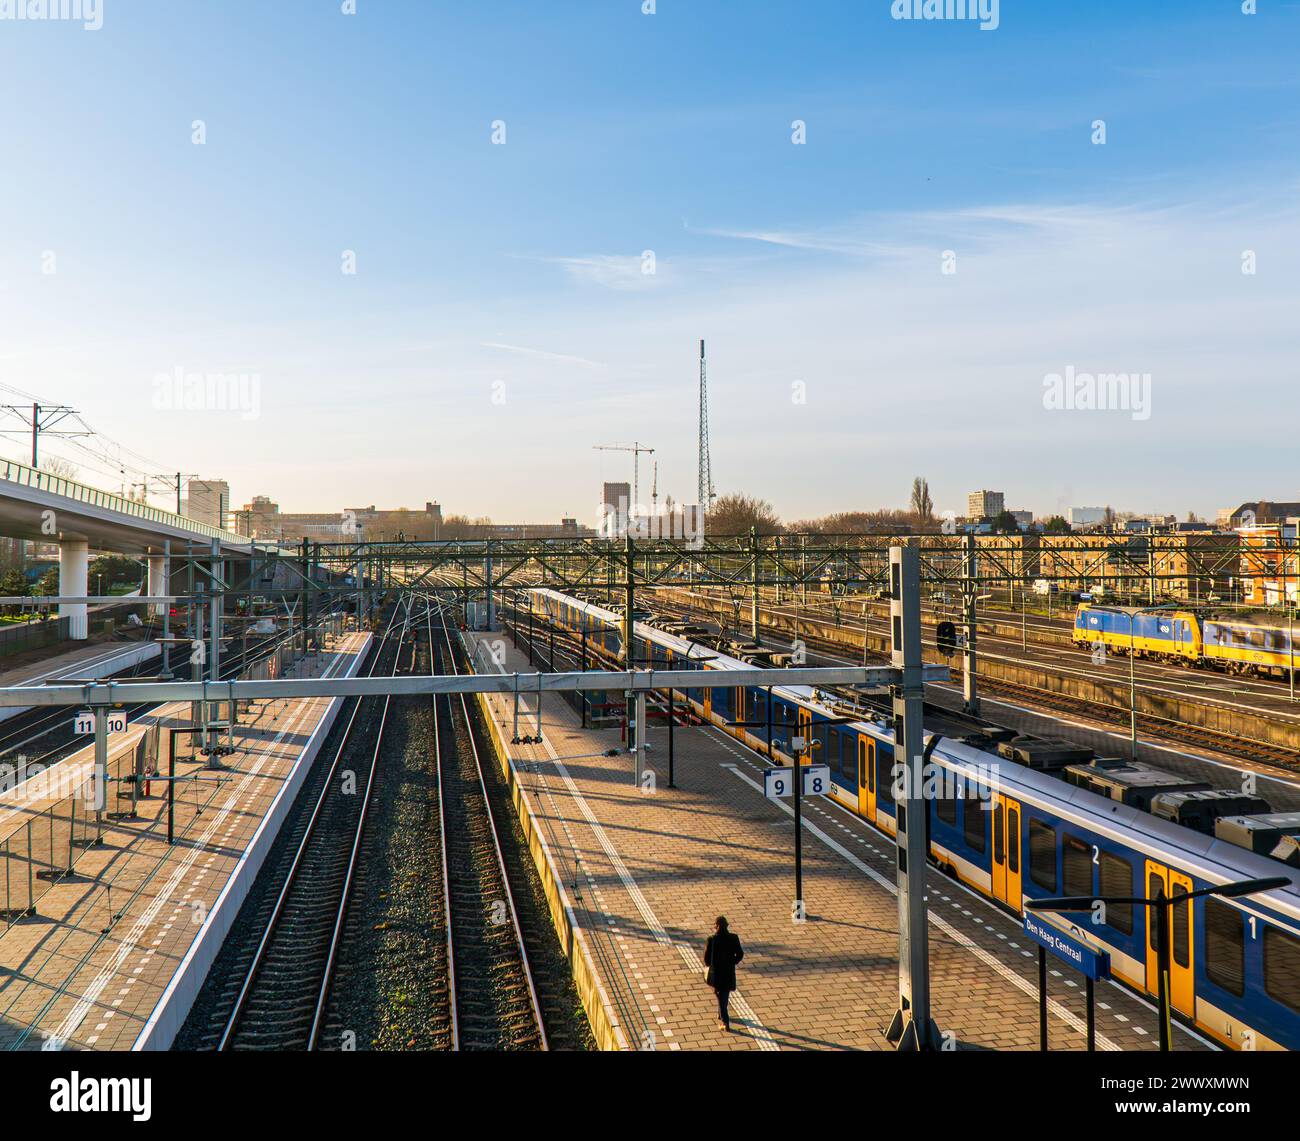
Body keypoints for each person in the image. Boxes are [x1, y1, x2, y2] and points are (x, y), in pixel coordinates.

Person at [703, 916, 744, 1032]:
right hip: (729, 972)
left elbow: (706, 958)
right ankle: (721, 1013)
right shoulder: (733, 938)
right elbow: (740, 954)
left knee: (721, 995)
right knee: (722, 993)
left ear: (716, 926)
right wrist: (733, 962)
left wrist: (709, 965)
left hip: (717, 973)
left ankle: (725, 1022)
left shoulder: (712, 939)